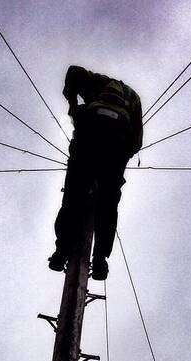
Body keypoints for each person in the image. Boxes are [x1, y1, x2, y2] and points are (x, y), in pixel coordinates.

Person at [49, 65, 143, 281]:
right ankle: (100, 259)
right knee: (108, 203)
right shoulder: (134, 98)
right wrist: (119, 161)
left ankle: (61, 251)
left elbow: (73, 71)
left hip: (90, 132)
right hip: (118, 139)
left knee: (74, 195)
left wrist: (73, 106)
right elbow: (136, 140)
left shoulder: (98, 81)